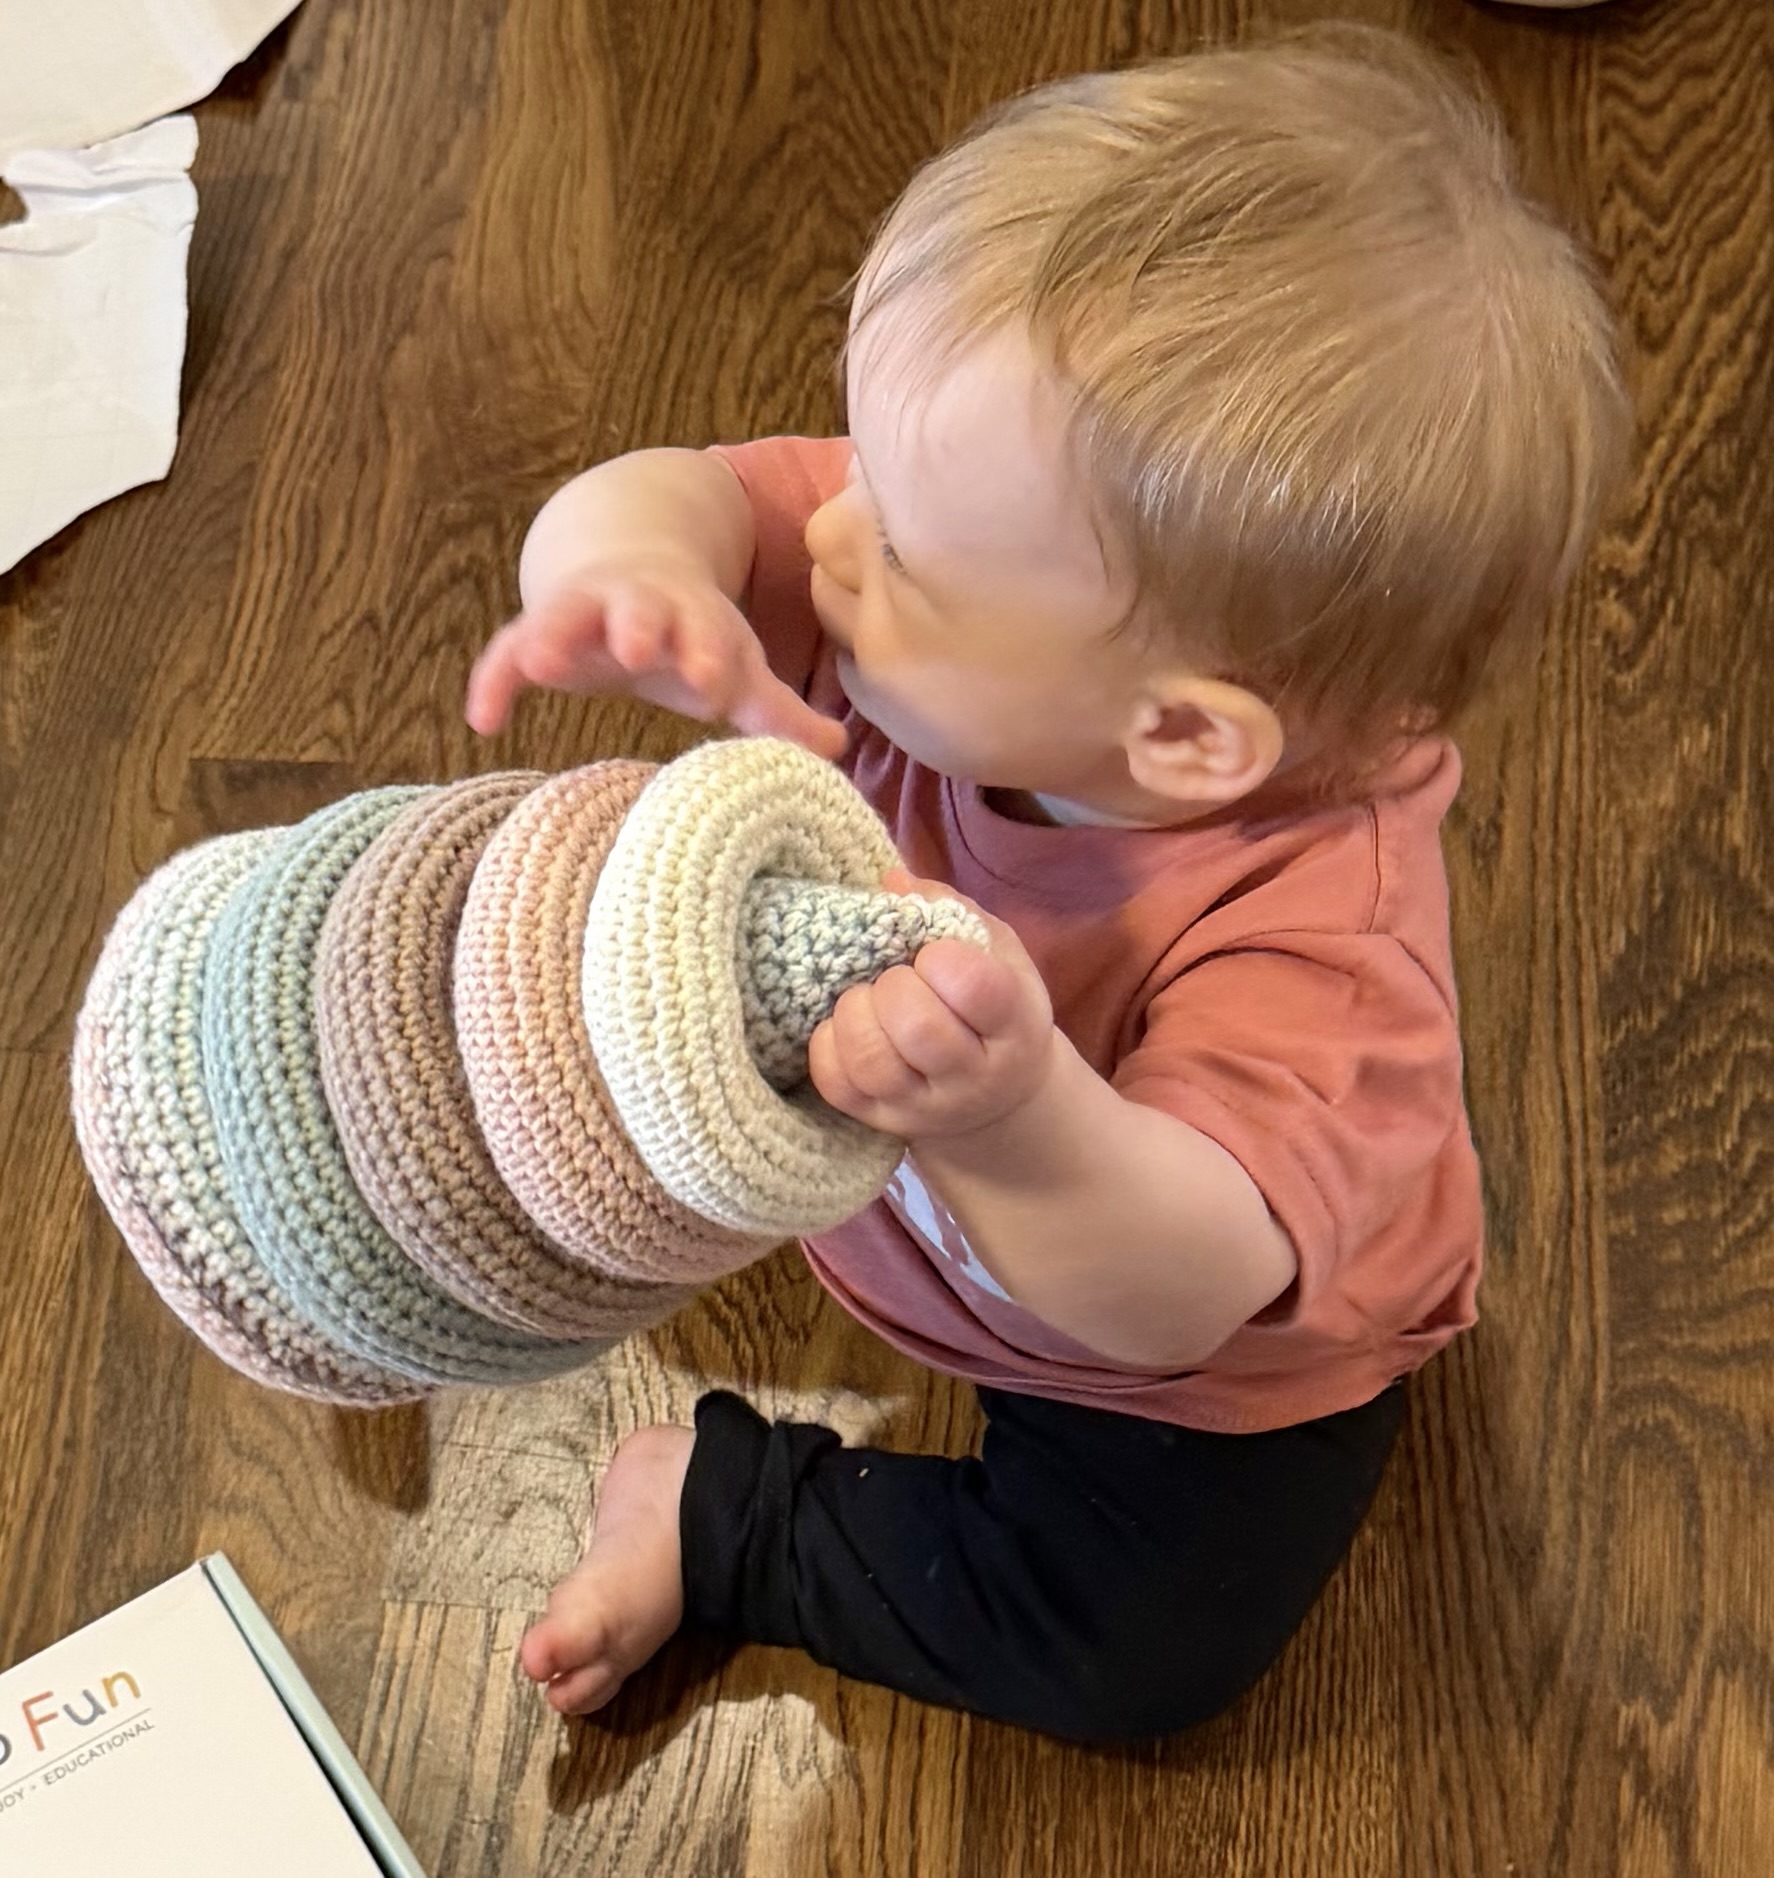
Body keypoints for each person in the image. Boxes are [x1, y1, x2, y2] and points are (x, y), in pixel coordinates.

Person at [465, 25, 1629, 1743]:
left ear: (1177, 738)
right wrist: (633, 564)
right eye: (861, 467)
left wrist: (1009, 1119)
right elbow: (698, 498)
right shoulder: (963, 590)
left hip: (1180, 1372)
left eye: (903, 545)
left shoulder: (1320, 954)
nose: (828, 532)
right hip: (913, 1174)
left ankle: (723, 1516)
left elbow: (1167, 1291)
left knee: (1134, 1650)